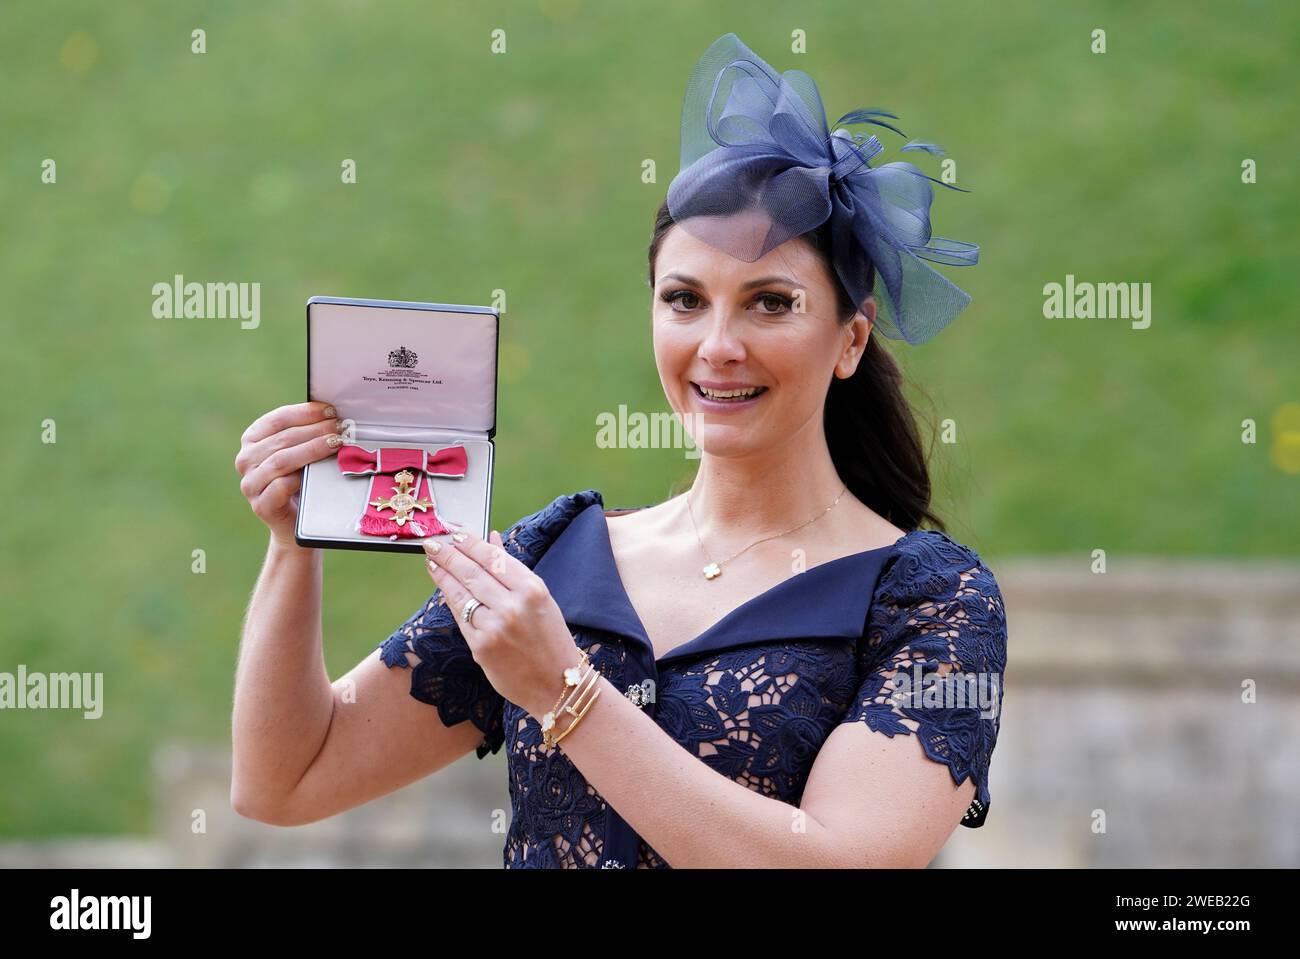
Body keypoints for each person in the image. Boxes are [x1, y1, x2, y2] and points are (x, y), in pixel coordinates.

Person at [230, 32, 1007, 868]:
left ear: (850, 340)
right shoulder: (557, 559)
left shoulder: (934, 603)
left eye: (770, 303)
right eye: (684, 300)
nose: (717, 345)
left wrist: (564, 691)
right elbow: (287, 779)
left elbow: (842, 861)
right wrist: (293, 545)